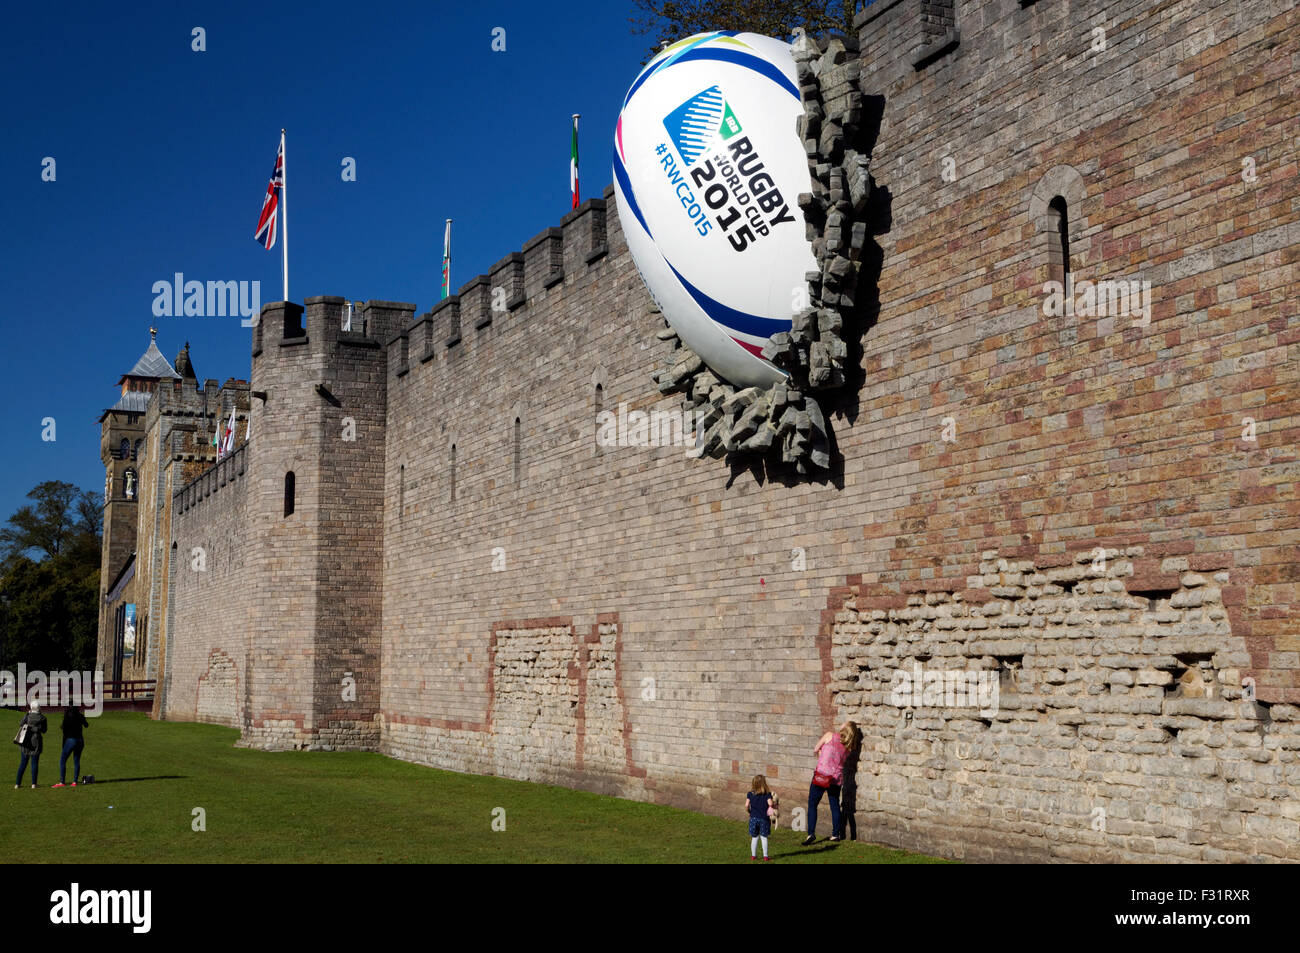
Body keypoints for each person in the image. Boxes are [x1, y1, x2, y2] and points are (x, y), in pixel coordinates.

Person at [801, 721, 854, 846]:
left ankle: (811, 834)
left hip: (822, 775)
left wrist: (821, 756)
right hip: (836, 779)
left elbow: (816, 749)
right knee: (834, 805)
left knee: (813, 804)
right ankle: (836, 834)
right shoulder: (848, 747)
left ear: (845, 728)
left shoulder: (829, 735)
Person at [53, 704, 89, 788]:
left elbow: (64, 732)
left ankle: (62, 782)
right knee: (76, 761)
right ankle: (75, 782)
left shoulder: (67, 717)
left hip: (70, 740)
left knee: (62, 760)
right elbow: (86, 725)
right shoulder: (80, 716)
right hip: (80, 740)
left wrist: (63, 745)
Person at [14, 700, 48, 789]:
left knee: (23, 763)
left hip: (25, 741)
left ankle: (17, 784)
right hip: (36, 742)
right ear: (39, 708)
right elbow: (44, 730)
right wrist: (36, 728)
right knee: (34, 763)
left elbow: (21, 724)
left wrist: (27, 714)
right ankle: (34, 784)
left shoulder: (28, 716)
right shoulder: (43, 718)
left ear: (31, 707)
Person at [839, 721, 863, 841]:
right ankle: (849, 835)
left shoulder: (840, 741)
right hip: (848, 779)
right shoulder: (851, 745)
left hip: (842, 777)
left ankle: (840, 833)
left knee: (842, 807)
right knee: (847, 809)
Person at [744, 775, 775, 861]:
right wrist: (773, 803)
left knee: (754, 837)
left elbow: (746, 805)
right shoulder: (767, 794)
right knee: (764, 837)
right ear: (764, 784)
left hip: (753, 818)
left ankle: (753, 856)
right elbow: (770, 804)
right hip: (764, 819)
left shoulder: (750, 794)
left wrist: (749, 812)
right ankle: (765, 856)